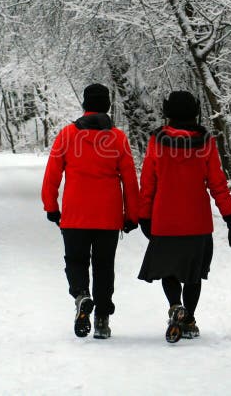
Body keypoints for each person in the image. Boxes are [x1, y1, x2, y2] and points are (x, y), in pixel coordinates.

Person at [137, 90, 231, 343]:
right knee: (193, 275)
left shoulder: (156, 141)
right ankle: (189, 319)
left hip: (165, 221)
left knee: (169, 272)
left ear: (167, 111)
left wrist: (144, 215)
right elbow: (218, 184)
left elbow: (148, 182)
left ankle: (175, 305)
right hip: (197, 222)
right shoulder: (206, 142)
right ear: (195, 111)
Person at [41, 83, 140, 339]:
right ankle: (102, 319)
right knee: (104, 266)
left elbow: (52, 174)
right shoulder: (118, 138)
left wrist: (51, 206)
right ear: (107, 105)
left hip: (75, 214)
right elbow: (129, 179)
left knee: (75, 261)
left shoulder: (67, 135)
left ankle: (81, 294)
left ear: (84, 105)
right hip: (108, 216)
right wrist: (132, 214)